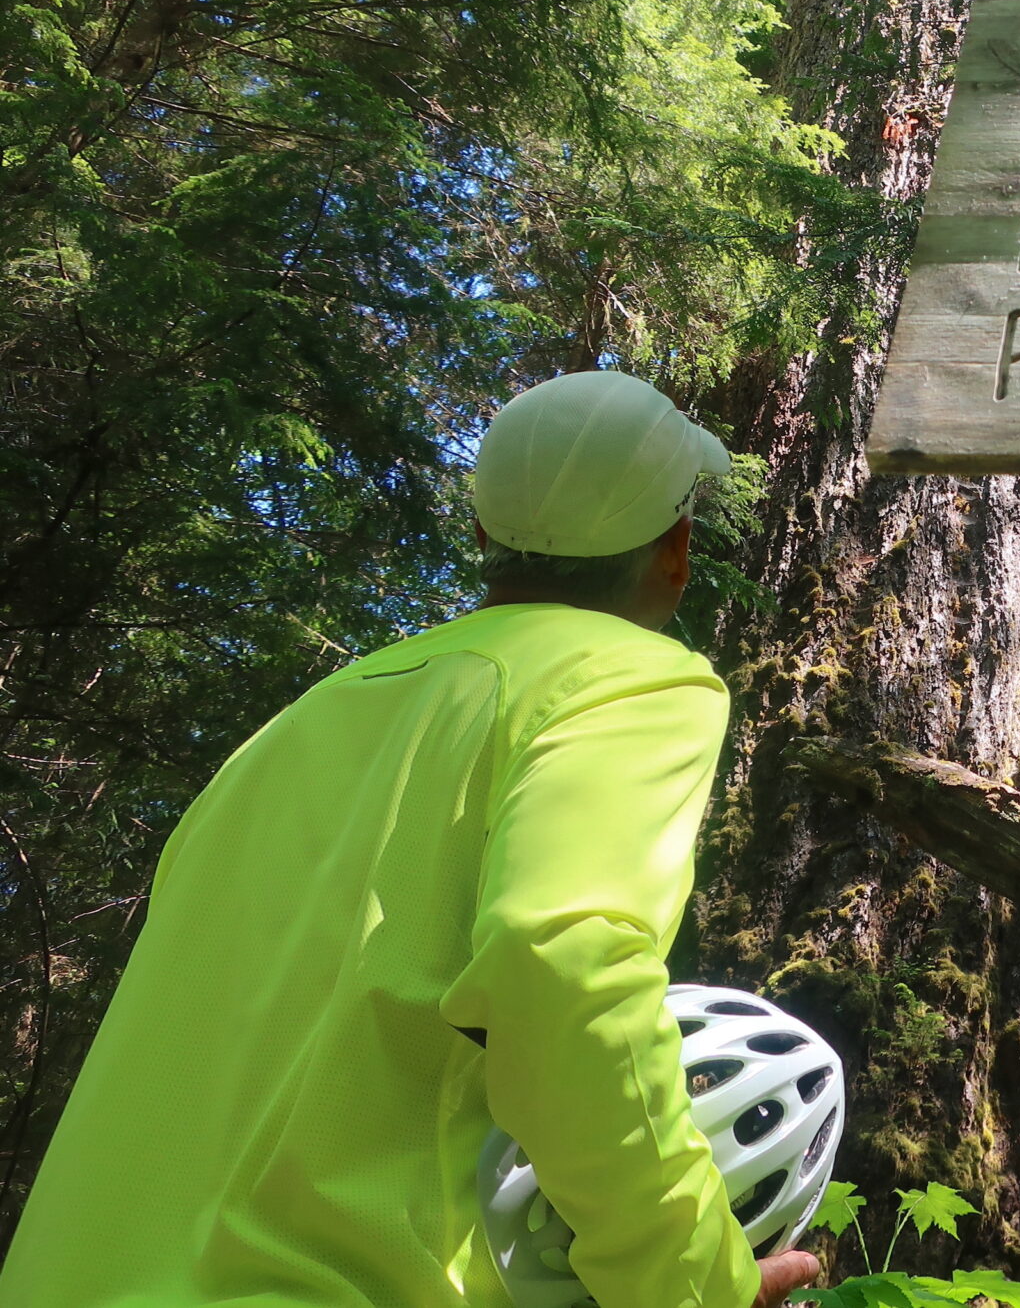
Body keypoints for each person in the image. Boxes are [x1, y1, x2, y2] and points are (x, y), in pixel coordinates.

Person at [0, 372, 822, 1308]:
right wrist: (690, 1285)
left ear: (483, 536)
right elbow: (563, 960)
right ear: (675, 550)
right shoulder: (629, 679)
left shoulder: (294, 727)